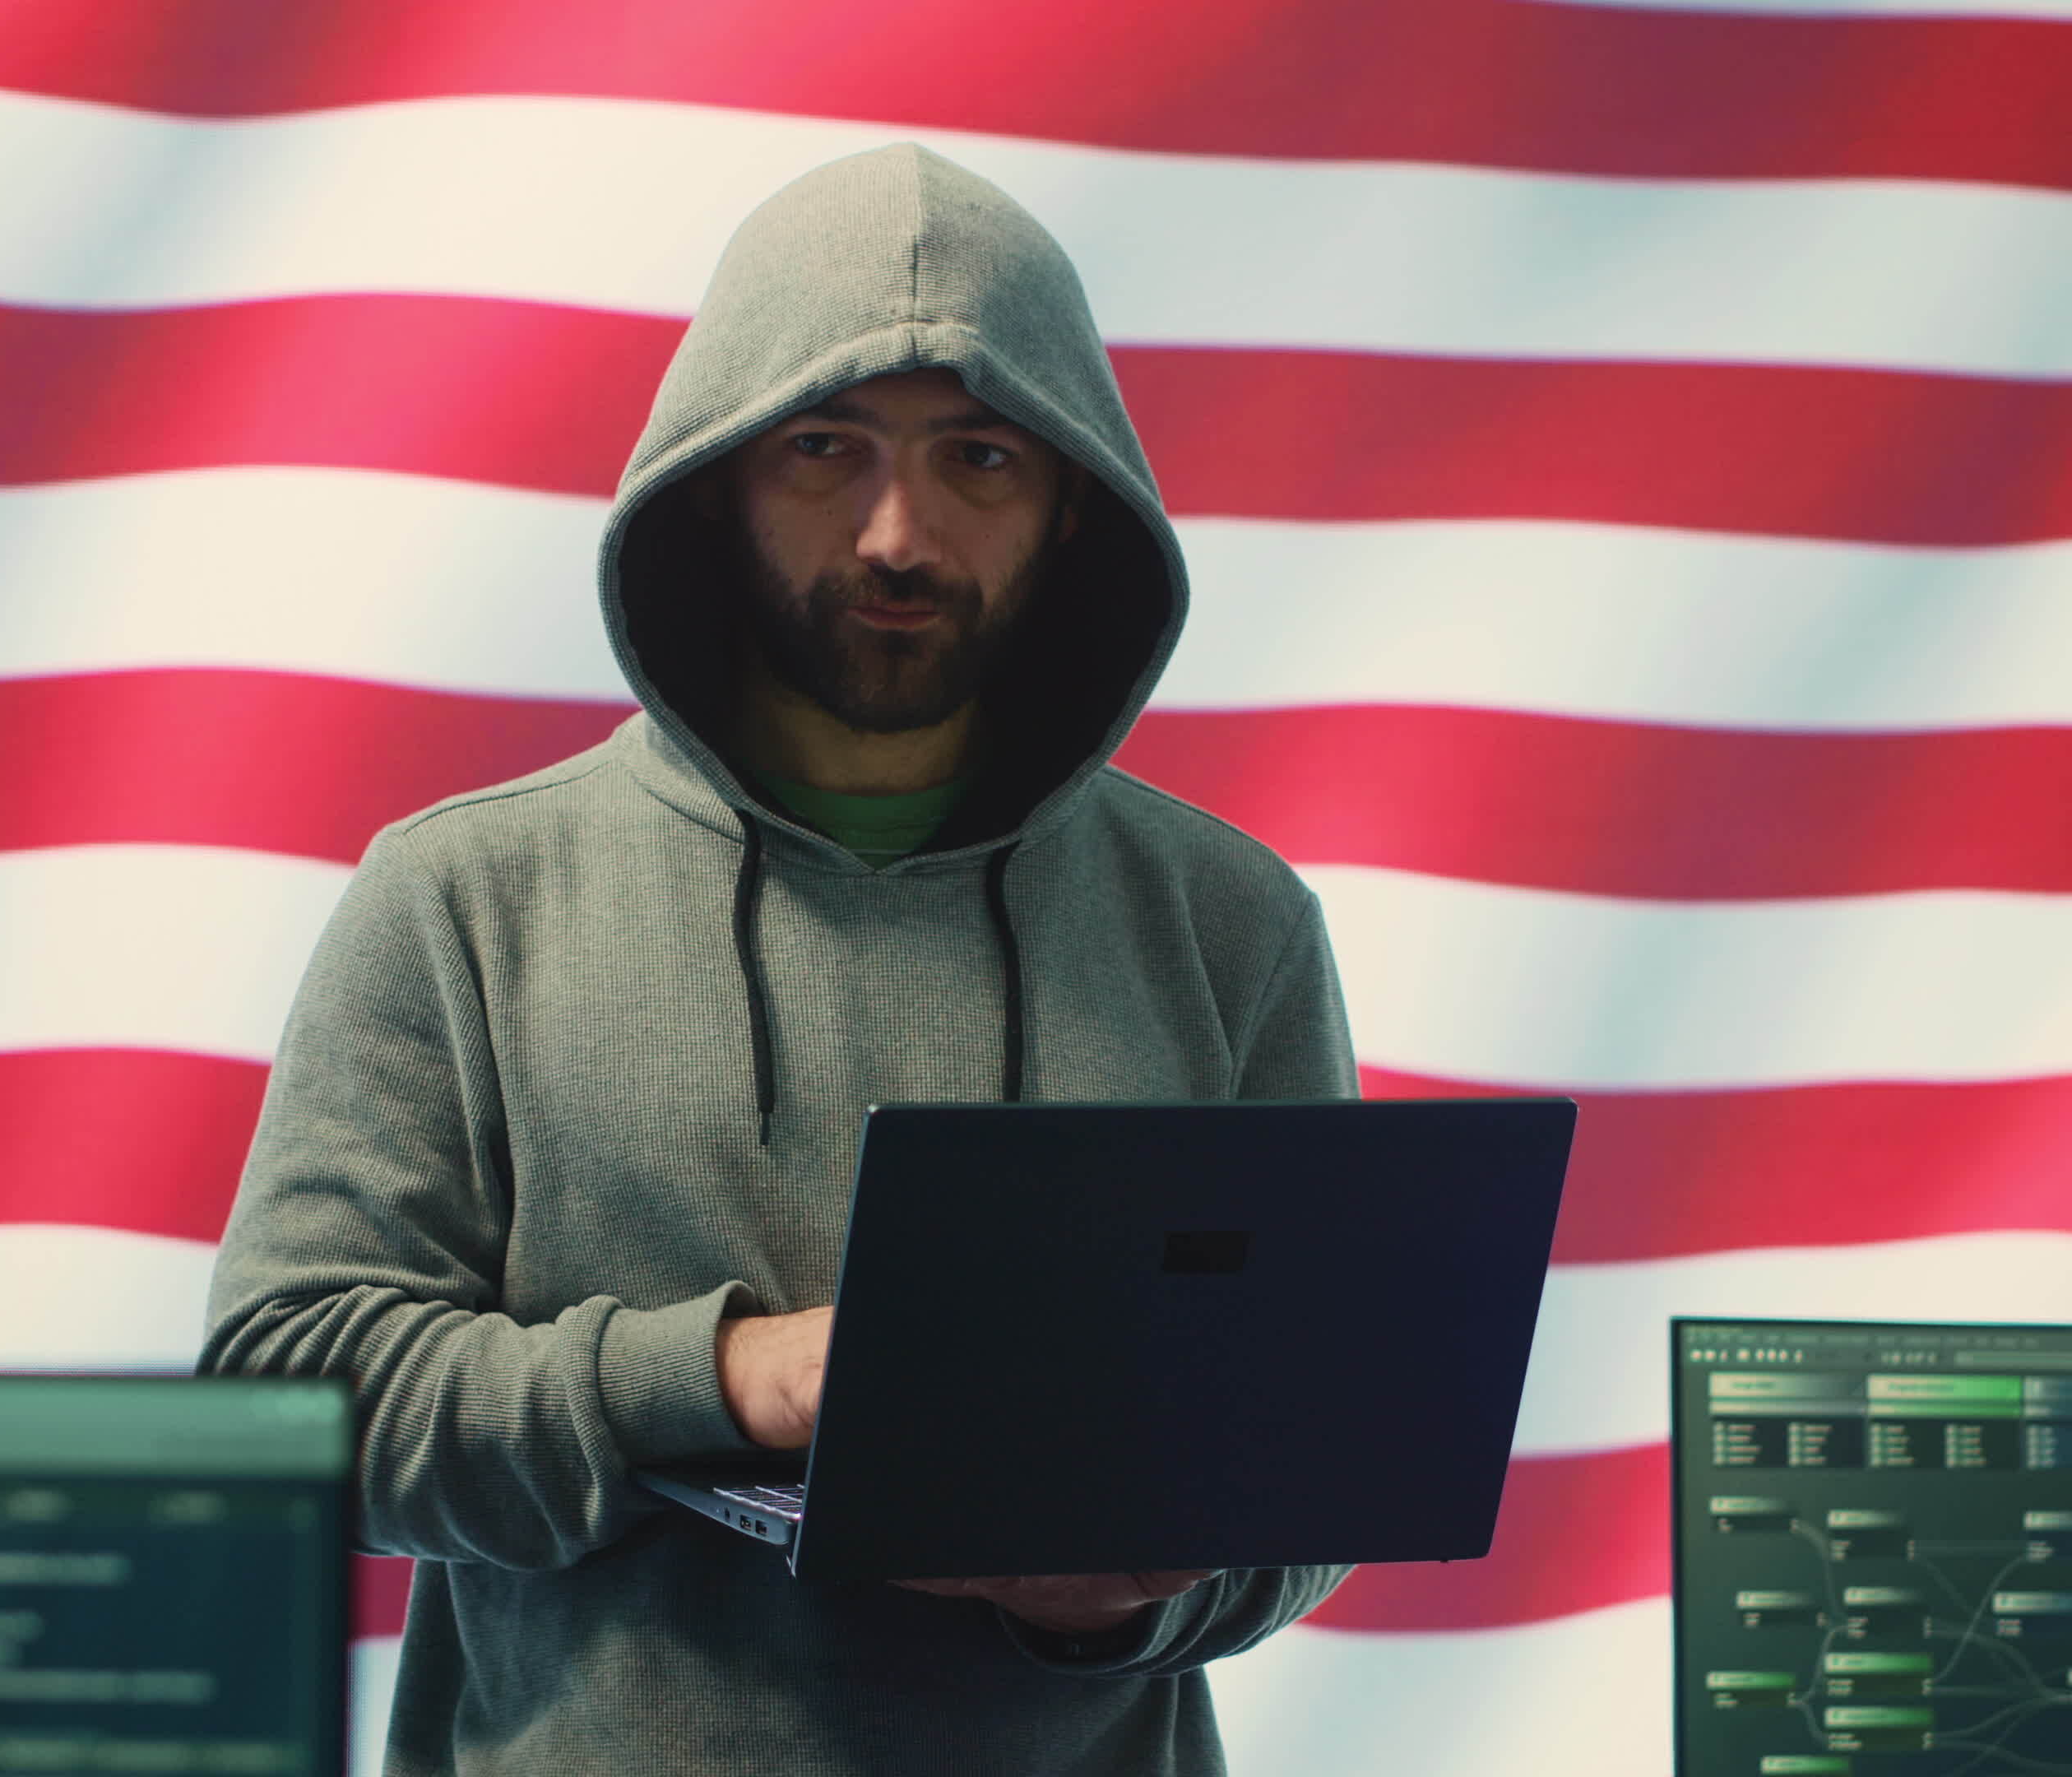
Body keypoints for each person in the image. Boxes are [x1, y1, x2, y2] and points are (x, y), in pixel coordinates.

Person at [202, 141, 1359, 1775]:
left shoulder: (1228, 927)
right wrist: (737, 1375)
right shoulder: (465, 895)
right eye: (827, 449)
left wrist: (1120, 1600)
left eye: (977, 458)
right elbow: (295, 1402)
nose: (900, 532)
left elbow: (1317, 1467)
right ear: (723, 471)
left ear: (1072, 503)